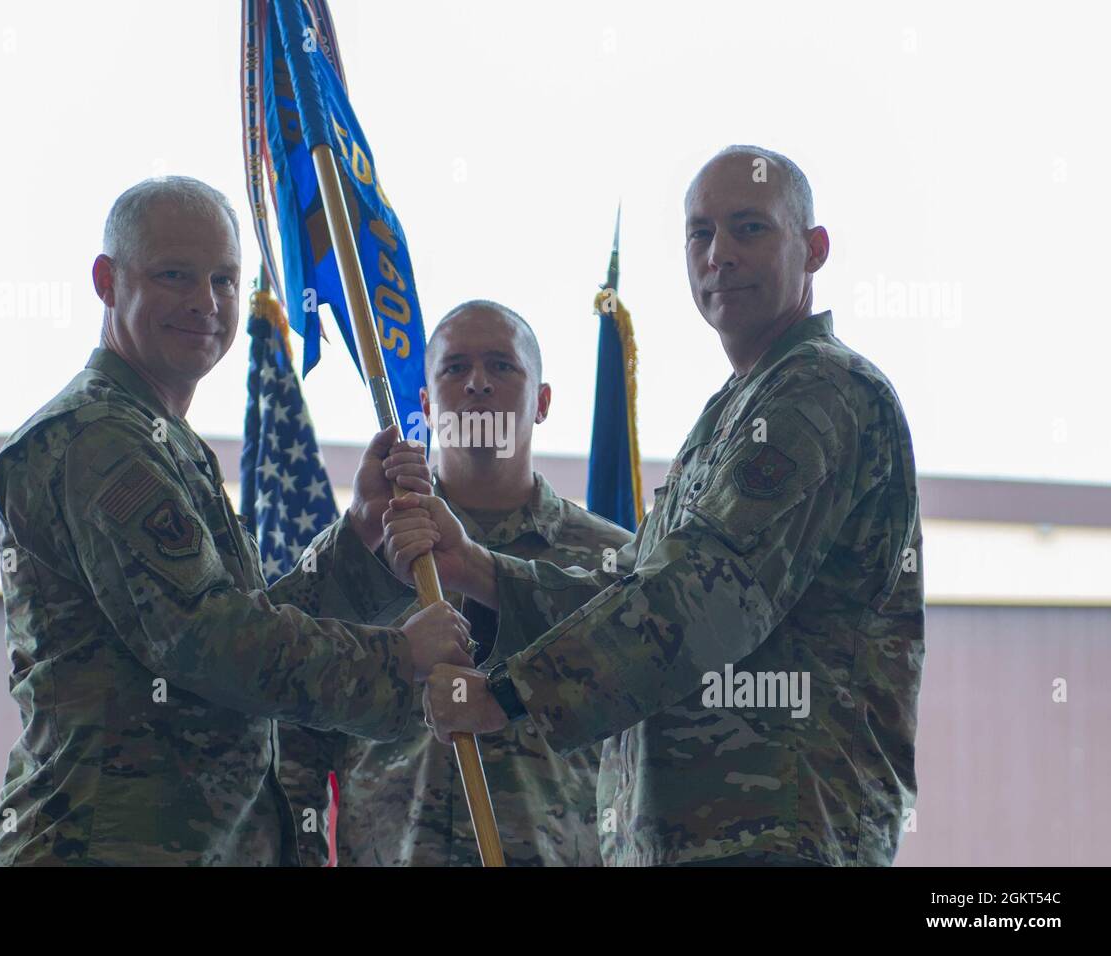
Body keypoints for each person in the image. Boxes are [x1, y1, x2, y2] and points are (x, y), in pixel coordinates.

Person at [385, 146, 925, 867]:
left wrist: (507, 694)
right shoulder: (736, 411)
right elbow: (631, 593)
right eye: (700, 234)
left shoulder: (819, 394)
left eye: (749, 229)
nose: (720, 254)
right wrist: (480, 569)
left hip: (782, 835)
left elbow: (702, 596)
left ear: (814, 249)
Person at [0, 176, 469, 866]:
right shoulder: (98, 439)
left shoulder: (163, 440)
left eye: (223, 280)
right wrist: (399, 658)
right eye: (174, 276)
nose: (204, 304)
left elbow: (245, 617)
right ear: (106, 281)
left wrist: (360, 534)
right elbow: (207, 642)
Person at [280, 301, 632, 866]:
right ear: (425, 403)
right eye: (454, 369)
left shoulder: (610, 560)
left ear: (541, 402)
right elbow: (298, 749)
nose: (477, 385)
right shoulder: (363, 556)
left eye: (501, 366)